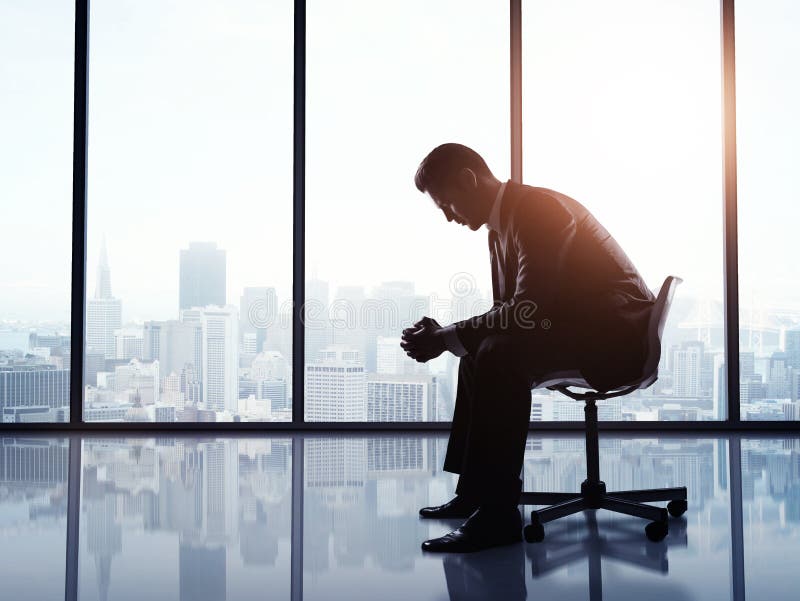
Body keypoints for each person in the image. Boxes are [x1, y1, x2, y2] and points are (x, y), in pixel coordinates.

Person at [401, 143, 656, 553]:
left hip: (613, 341)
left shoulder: (537, 211)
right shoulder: (500, 230)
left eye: (448, 204)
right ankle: (475, 495)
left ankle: (498, 516)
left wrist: (447, 336)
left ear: (468, 179)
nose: (449, 217)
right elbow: (512, 310)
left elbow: (527, 309)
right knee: (477, 354)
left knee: (497, 355)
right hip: (577, 329)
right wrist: (447, 335)